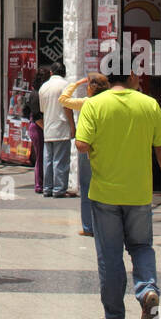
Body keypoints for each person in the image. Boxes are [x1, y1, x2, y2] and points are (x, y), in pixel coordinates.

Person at [75, 70, 161, 319]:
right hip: (139, 194)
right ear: (131, 75)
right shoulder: (148, 103)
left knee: (110, 256)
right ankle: (148, 290)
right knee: (142, 246)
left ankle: (114, 317)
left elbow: (81, 144)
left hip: (105, 193)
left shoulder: (94, 104)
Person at [60, 74, 110, 235]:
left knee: (87, 187)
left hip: (88, 149)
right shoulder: (110, 103)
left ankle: (89, 226)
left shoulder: (87, 102)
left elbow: (64, 99)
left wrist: (75, 84)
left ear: (90, 88)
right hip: (106, 149)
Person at [38, 64, 72, 197]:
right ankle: (59, 189)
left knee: (48, 160)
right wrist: (72, 125)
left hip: (48, 127)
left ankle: (48, 188)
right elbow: (67, 107)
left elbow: (42, 109)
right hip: (61, 126)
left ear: (51, 72)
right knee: (60, 160)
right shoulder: (65, 85)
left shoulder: (44, 87)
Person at [23, 72, 46, 194]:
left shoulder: (33, 93)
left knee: (41, 155)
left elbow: (25, 111)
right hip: (38, 127)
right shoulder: (36, 95)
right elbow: (36, 115)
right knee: (40, 156)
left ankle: (41, 182)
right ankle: (39, 184)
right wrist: (45, 128)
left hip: (35, 125)